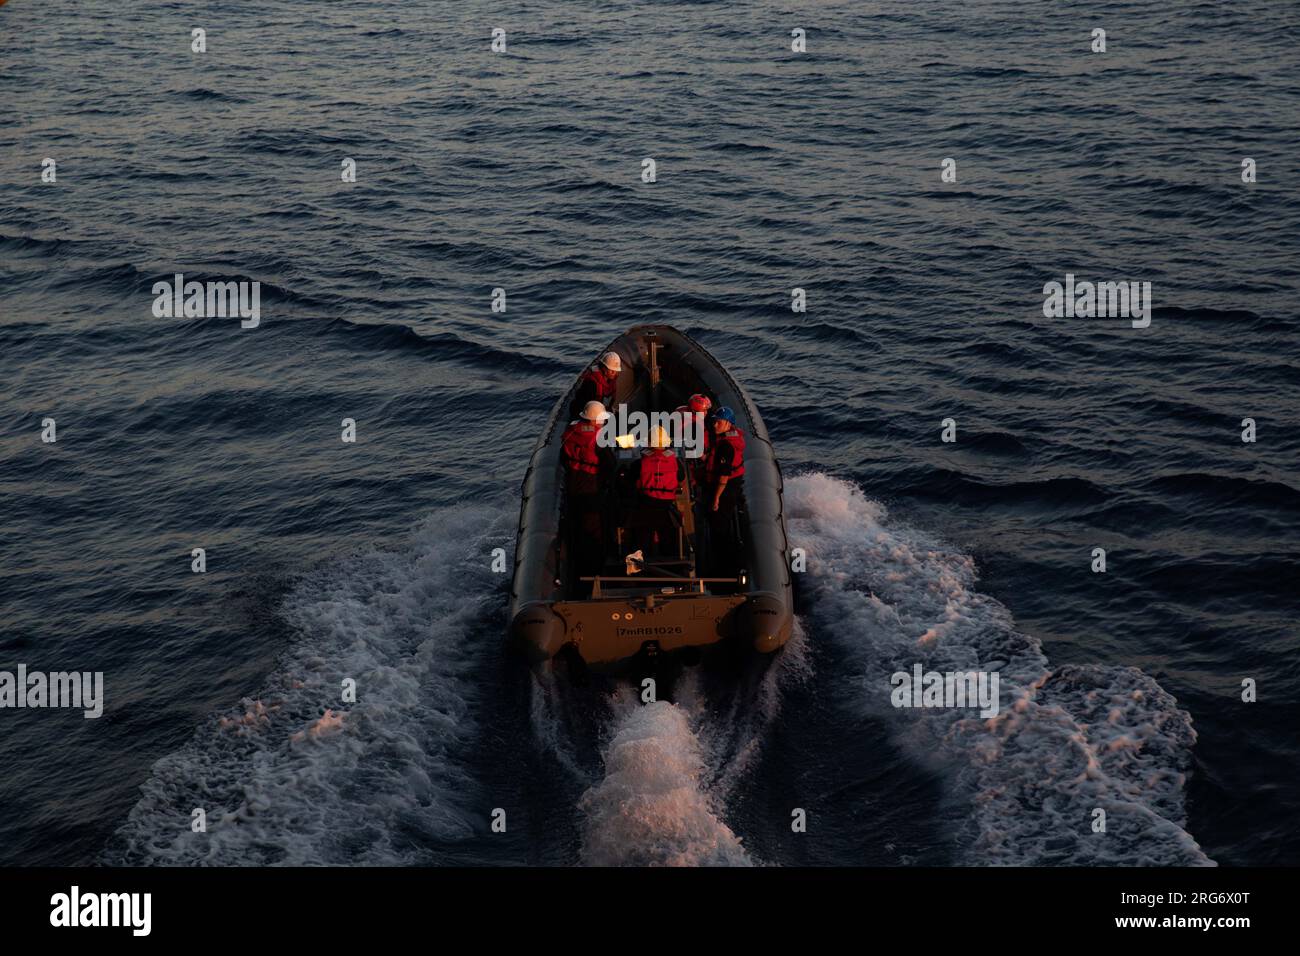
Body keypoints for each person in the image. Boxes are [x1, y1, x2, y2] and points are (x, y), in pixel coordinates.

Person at [561, 401, 616, 582]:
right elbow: (609, 464)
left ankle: (577, 561)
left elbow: (563, 457)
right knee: (593, 527)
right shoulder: (598, 439)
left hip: (573, 484)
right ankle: (594, 569)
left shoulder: (572, 431)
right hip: (591, 486)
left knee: (577, 523)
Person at [627, 426, 684, 562]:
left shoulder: (640, 463)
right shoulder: (675, 462)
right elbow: (681, 477)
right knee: (669, 541)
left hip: (645, 507)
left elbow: (630, 478)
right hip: (667, 508)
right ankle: (672, 563)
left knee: (641, 540)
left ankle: (640, 567)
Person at [702, 405, 745, 574]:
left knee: (720, 526)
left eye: (718, 422)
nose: (714, 425)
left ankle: (724, 566)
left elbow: (723, 476)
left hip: (725, 490)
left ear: (728, 424)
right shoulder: (727, 440)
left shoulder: (726, 446)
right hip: (733, 485)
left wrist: (716, 499)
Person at [570, 351, 622, 419]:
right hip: (589, 413)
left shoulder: (610, 380)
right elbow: (587, 408)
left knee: (620, 418)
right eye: (611, 370)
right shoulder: (591, 384)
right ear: (604, 368)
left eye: (615, 371)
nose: (614, 373)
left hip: (602, 409)